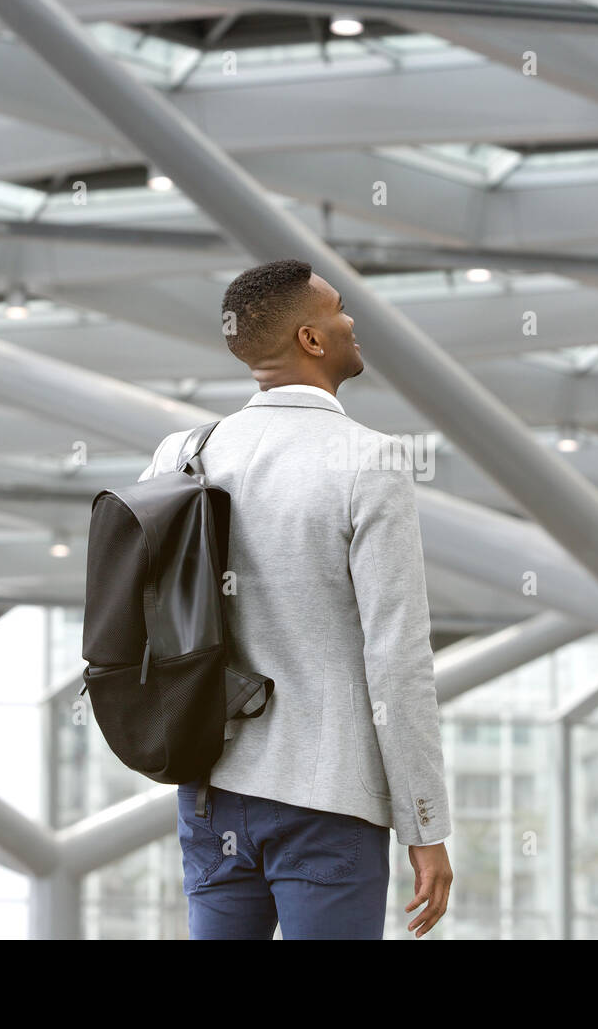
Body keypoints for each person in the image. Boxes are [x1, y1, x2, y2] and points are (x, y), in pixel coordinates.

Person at [139, 259, 453, 940]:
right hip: (328, 797)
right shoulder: (370, 460)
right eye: (340, 311)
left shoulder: (182, 454)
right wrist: (423, 822)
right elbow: (398, 657)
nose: (351, 324)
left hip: (209, 791)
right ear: (311, 340)